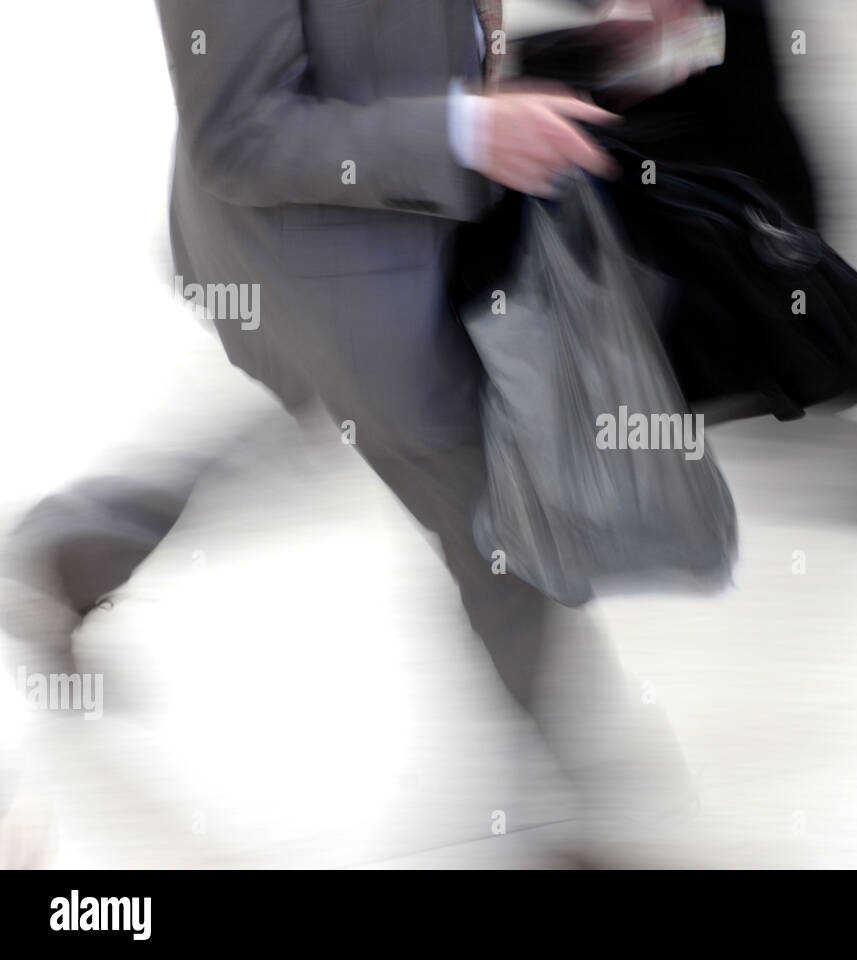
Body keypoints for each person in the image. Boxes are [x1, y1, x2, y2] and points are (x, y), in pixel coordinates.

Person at [0, 0, 703, 866]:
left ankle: (75, 546)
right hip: (317, 256)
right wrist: (461, 134)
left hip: (402, 234)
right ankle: (584, 797)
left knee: (316, 404)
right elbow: (238, 135)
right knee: (491, 516)